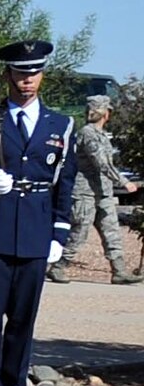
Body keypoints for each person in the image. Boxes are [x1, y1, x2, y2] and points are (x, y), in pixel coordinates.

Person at [0, 40, 78, 386]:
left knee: (23, 318)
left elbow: (65, 183)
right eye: (20, 73)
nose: (26, 80)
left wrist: (59, 233)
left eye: (33, 73)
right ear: (9, 75)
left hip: (34, 230)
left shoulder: (60, 125)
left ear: (42, 76)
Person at [58, 94, 141, 283]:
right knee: (79, 231)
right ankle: (58, 265)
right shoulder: (88, 133)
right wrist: (123, 181)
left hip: (103, 191)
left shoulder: (101, 135)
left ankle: (119, 271)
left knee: (111, 230)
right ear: (105, 113)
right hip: (85, 192)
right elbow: (101, 162)